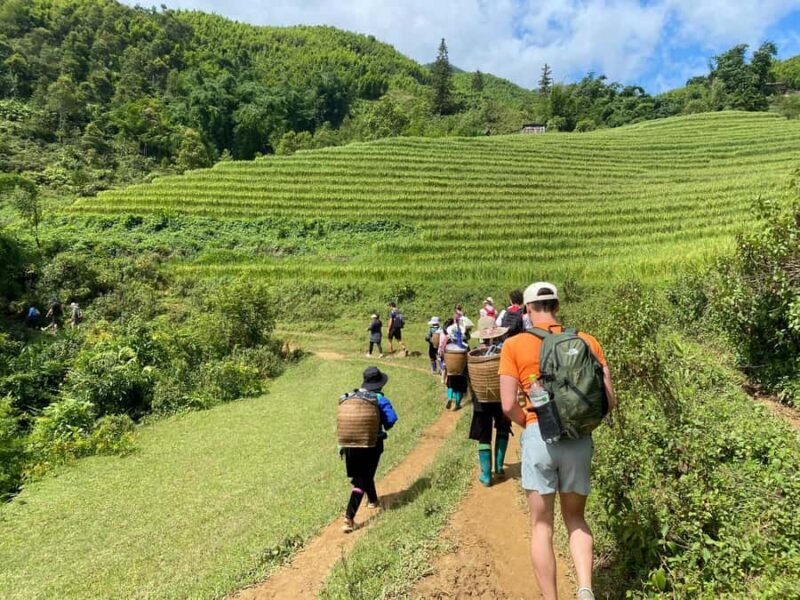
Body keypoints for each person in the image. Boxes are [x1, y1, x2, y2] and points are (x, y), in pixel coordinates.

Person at [499, 282, 616, 600]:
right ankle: (585, 590)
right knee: (576, 518)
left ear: (525, 310)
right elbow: (609, 399)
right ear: (558, 306)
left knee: (541, 526)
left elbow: (508, 404)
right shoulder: (588, 341)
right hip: (579, 440)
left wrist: (533, 425)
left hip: (540, 437)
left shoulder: (515, 346)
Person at [342, 367, 398, 533]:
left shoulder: (351, 397)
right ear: (379, 384)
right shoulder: (379, 399)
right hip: (371, 445)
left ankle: (373, 500)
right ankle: (348, 518)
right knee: (361, 480)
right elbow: (391, 419)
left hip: (349, 445)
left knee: (365, 475)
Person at [470, 317, 511, 486]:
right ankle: (500, 467)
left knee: (484, 437)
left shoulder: (473, 354)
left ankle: (486, 475)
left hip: (481, 400)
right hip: (501, 397)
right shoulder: (503, 352)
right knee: (503, 428)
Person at [439, 317, 469, 410]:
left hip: (451, 368)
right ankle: (457, 403)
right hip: (461, 370)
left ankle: (449, 398)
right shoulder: (464, 344)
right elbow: (468, 355)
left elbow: (442, 353)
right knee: (460, 387)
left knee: (450, 384)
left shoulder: (448, 343)